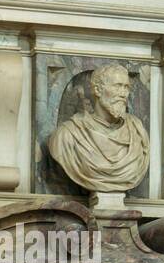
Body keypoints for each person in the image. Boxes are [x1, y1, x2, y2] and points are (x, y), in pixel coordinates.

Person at [47, 61, 149, 195]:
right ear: (97, 90)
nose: (123, 94)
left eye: (126, 87)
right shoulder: (68, 134)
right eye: (117, 86)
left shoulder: (137, 131)